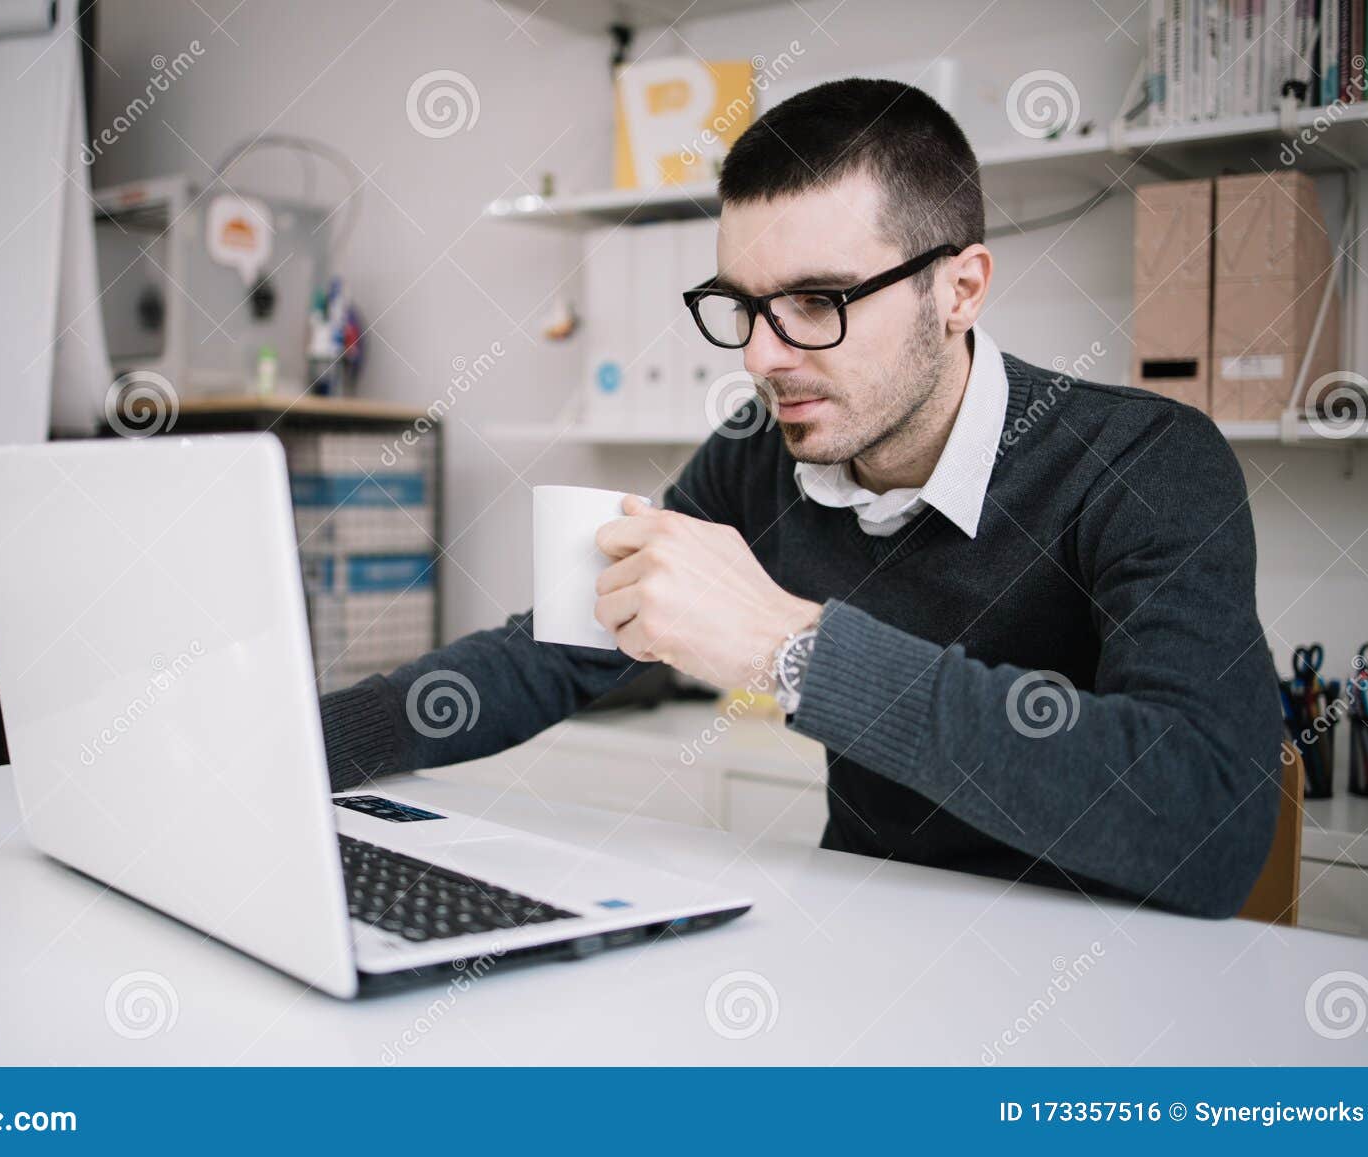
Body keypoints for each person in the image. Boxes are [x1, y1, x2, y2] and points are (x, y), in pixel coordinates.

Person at [318, 77, 1283, 919]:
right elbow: (562, 646)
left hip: (1108, 991)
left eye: (818, 302)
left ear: (961, 289)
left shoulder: (1145, 462)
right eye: (745, 304)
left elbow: (1205, 823)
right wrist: (293, 746)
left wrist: (792, 650)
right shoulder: (758, 454)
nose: (761, 356)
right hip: (863, 958)